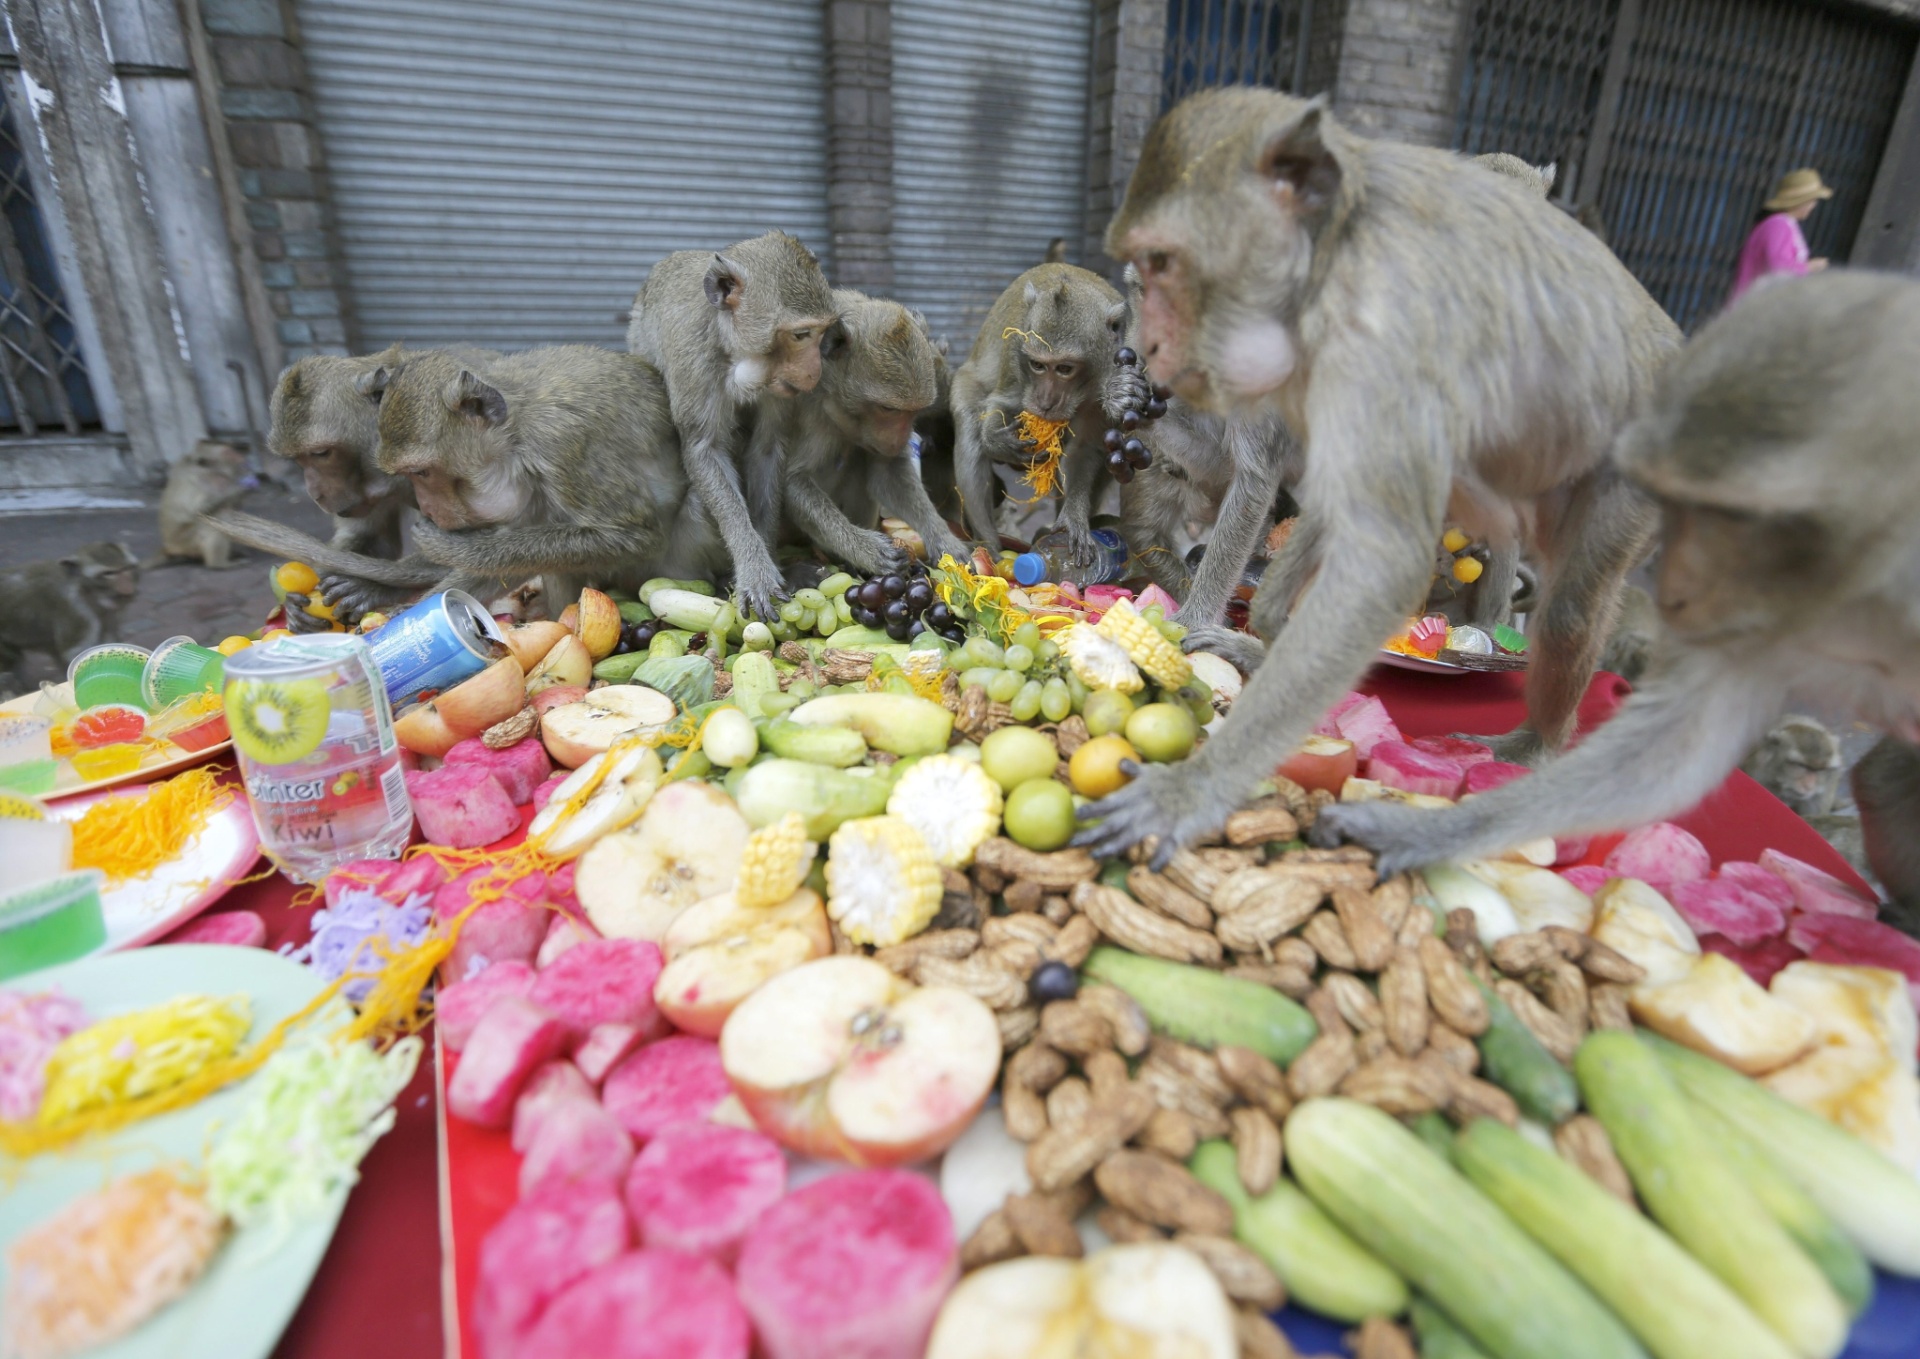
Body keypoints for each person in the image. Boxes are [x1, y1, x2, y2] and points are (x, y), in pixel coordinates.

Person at [1730, 168, 1832, 302]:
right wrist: (1811, 266)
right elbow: (1780, 267)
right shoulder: (1779, 225)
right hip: (1758, 306)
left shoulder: (1781, 223)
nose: (1813, 205)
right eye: (1812, 200)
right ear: (1800, 201)